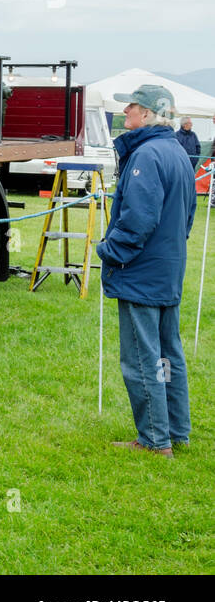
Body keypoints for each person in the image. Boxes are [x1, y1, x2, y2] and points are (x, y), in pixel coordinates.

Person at [97, 84, 196, 457]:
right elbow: (186, 220)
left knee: (143, 359)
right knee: (169, 355)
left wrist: (109, 251)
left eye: (131, 109)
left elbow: (138, 220)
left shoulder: (147, 156)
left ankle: (155, 439)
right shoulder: (176, 154)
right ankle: (176, 430)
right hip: (167, 271)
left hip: (141, 273)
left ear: (149, 114)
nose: (126, 116)